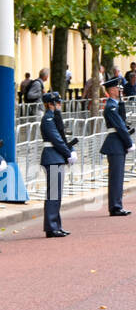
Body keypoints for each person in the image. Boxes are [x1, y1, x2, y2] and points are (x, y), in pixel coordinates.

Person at [40, 91, 74, 237]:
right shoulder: (48, 119)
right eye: (57, 103)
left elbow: (62, 138)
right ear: (50, 104)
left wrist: (70, 150)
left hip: (56, 157)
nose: (60, 105)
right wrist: (68, 154)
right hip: (52, 157)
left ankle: (56, 225)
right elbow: (56, 139)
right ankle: (51, 227)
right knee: (53, 194)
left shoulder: (54, 118)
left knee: (57, 195)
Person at [99, 75, 133, 216]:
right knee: (116, 177)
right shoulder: (111, 106)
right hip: (115, 143)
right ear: (111, 90)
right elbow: (119, 126)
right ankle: (115, 206)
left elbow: (122, 122)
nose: (120, 90)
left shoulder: (115, 105)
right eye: (117, 88)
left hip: (118, 143)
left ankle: (117, 204)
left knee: (118, 177)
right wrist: (129, 143)